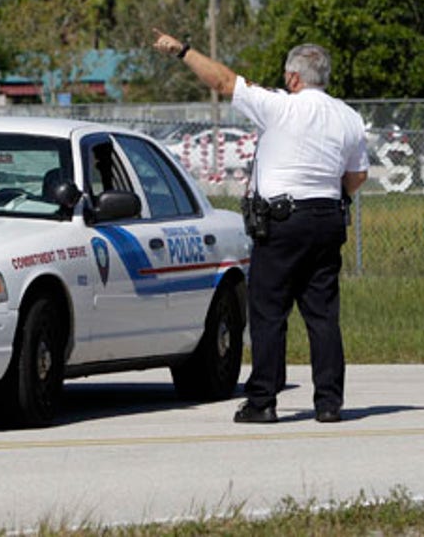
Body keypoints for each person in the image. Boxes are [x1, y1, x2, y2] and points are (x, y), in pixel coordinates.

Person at [152, 28, 369, 424]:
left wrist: (183, 50)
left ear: (293, 78)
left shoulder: (279, 106)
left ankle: (262, 400)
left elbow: (221, 80)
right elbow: (357, 177)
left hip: (284, 222)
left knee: (269, 312)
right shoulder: (349, 117)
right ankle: (329, 402)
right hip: (328, 217)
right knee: (322, 314)